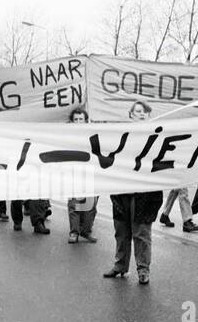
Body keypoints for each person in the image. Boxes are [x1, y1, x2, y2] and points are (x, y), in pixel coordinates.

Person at [103, 99, 162, 283]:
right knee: (121, 232)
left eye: (144, 111)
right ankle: (120, 266)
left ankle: (143, 270)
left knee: (142, 234)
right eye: (137, 111)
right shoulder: (122, 135)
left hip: (146, 195)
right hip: (123, 193)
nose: (141, 114)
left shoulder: (157, 136)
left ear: (149, 115)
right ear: (130, 115)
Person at [64, 107, 98, 243]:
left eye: (81, 119)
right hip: (73, 174)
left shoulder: (92, 135)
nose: (79, 122)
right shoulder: (67, 136)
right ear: (72, 122)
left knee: (91, 205)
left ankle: (86, 231)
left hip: (89, 174)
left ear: (86, 121)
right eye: (76, 119)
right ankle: (74, 232)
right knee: (74, 204)